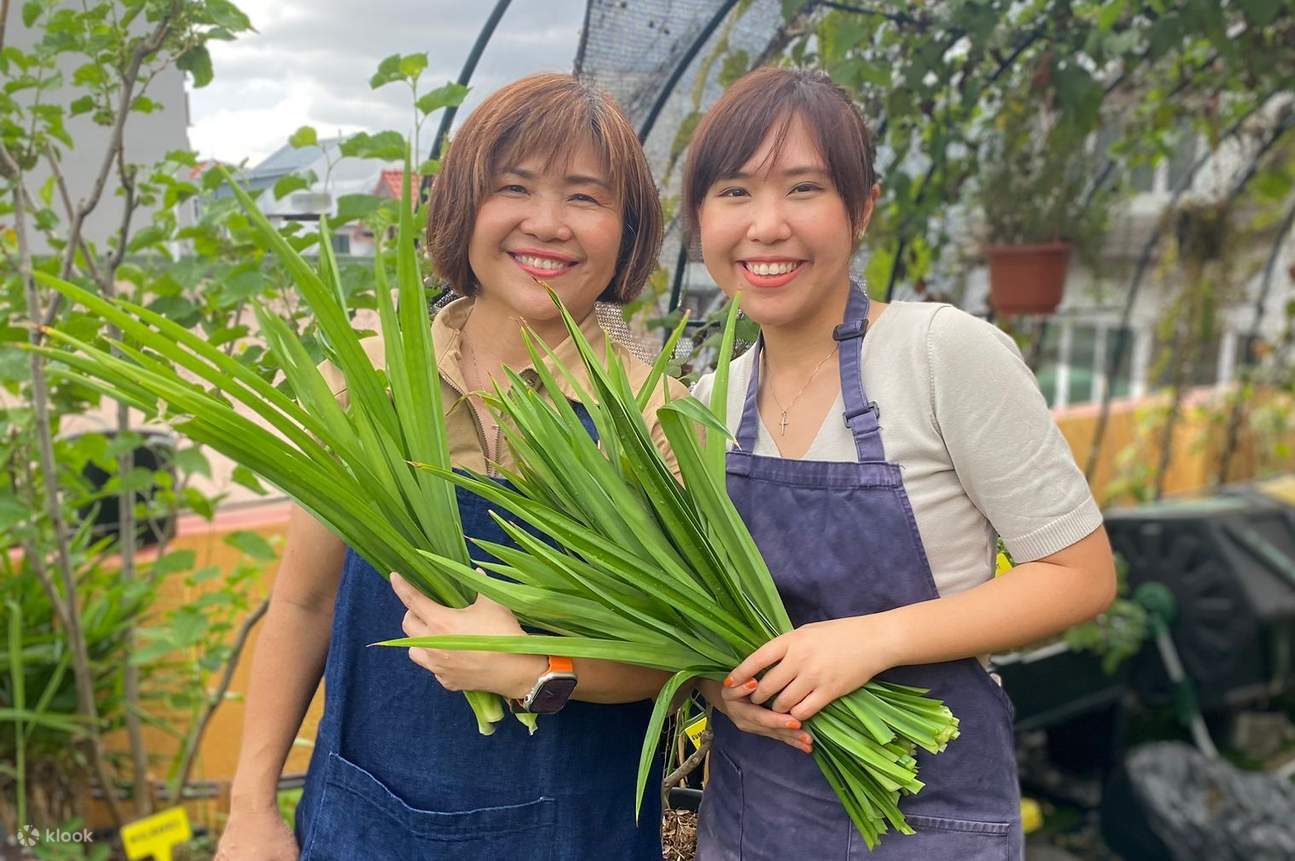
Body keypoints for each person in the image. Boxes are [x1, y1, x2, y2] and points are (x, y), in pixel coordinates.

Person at [215, 73, 686, 861]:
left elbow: (675, 658)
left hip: (577, 833)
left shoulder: (652, 417)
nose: (547, 223)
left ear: (627, 229)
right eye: (514, 187)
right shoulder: (374, 385)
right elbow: (304, 602)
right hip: (366, 821)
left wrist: (536, 669)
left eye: (585, 197)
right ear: (465, 207)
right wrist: (249, 806)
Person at [686, 67, 1117, 860]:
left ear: (863, 208)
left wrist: (873, 639)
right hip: (750, 823)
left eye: (804, 188)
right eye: (734, 191)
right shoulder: (707, 400)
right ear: (700, 217)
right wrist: (724, 690)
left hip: (925, 824)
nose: (766, 225)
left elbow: (1078, 573)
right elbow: (711, 627)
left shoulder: (939, 352)